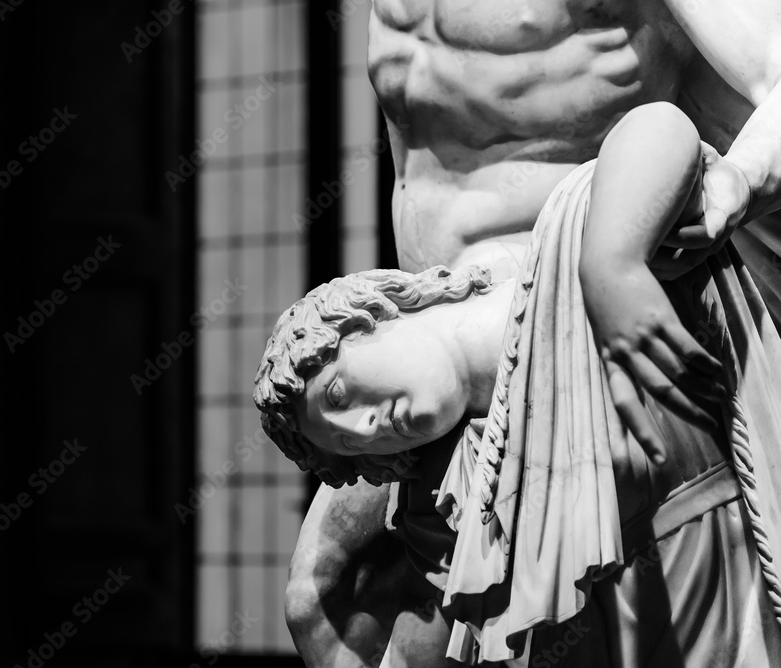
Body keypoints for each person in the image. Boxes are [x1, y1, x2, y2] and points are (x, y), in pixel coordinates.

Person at [285, 2, 781, 664]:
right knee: (321, 596)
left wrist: (737, 182)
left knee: (625, 609)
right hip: (438, 350)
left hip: (581, 333)